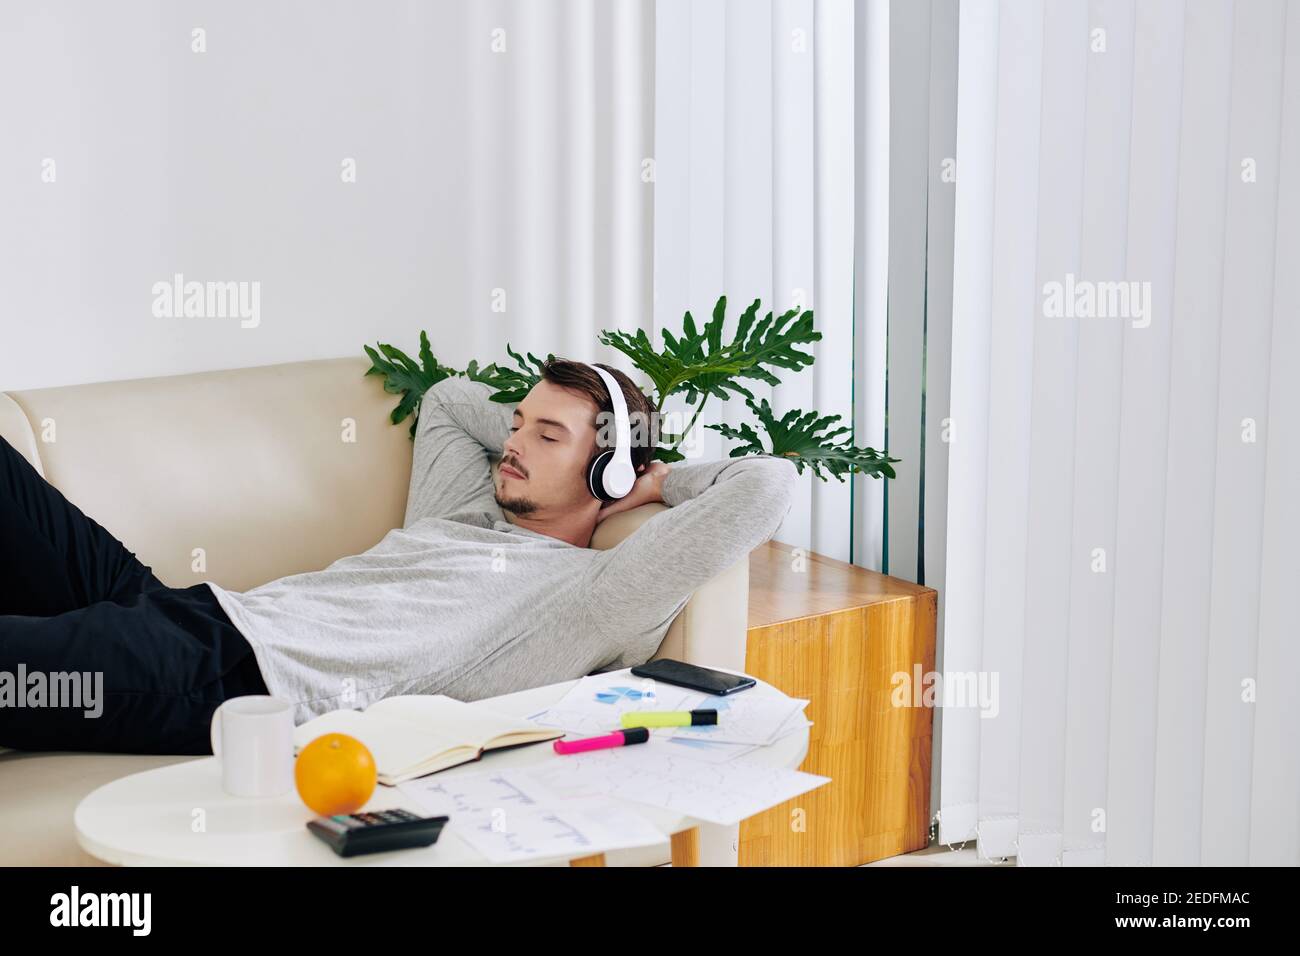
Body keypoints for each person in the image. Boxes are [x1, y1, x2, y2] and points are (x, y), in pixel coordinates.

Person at [0, 358, 796, 754]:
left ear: (608, 466)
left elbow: (766, 484)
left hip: (230, 678)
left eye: (545, 436)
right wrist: (568, 446)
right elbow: (449, 398)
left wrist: (643, 482)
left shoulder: (595, 594)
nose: (513, 443)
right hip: (190, 609)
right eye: (519, 422)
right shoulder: (466, 511)